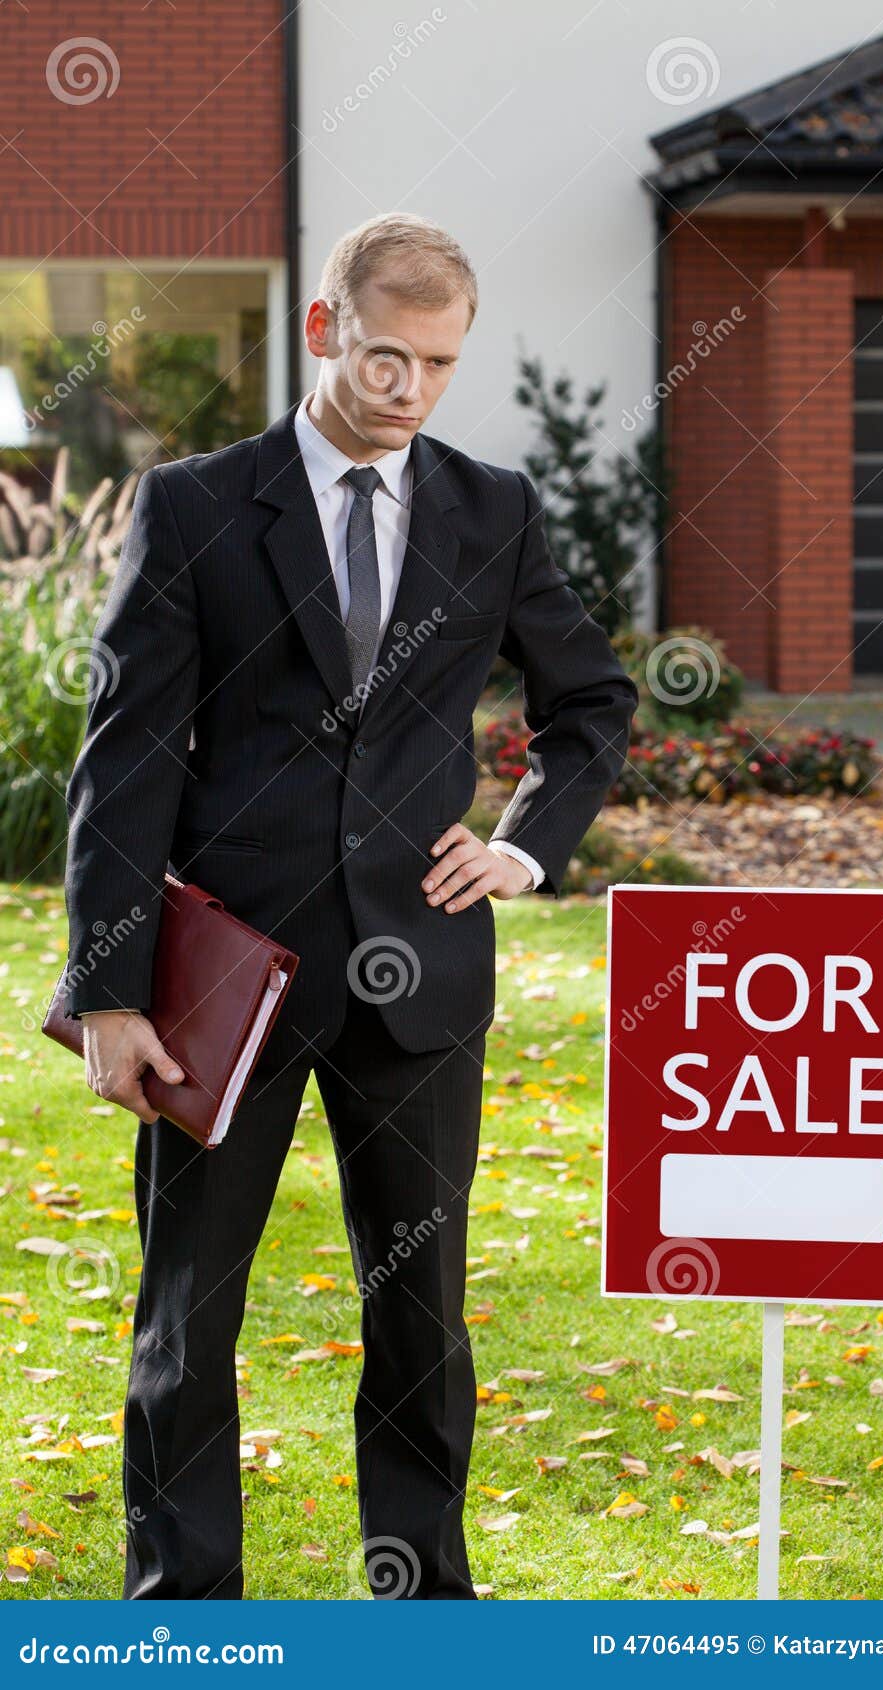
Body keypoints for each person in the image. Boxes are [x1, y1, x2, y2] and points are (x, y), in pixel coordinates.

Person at [63, 212, 639, 1600]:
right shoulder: (198, 506)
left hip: (421, 977)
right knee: (189, 1317)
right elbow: (128, 754)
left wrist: (525, 847)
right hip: (227, 977)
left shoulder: (490, 508)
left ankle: (423, 1598)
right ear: (325, 331)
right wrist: (111, 990)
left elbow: (592, 704)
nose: (413, 391)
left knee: (422, 1313)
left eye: (441, 364)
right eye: (390, 357)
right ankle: (186, 1610)